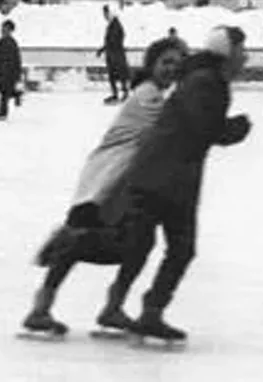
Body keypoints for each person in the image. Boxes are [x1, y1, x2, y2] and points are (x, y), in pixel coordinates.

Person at [22, 34, 188, 336]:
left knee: (135, 242)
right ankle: (71, 301)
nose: (171, 69)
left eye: (178, 64)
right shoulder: (148, 95)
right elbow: (173, 128)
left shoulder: (149, 92)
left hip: (116, 179)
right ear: (152, 64)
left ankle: (56, 304)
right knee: (115, 243)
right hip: (109, 179)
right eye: (166, 62)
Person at [103, 26, 252, 342]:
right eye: (241, 49)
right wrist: (233, 129)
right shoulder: (205, 82)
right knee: (172, 248)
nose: (246, 57)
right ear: (227, 53)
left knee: (156, 246)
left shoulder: (205, 79)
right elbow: (204, 127)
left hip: (165, 175)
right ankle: (144, 310)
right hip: (166, 178)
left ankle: (140, 308)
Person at [0, 19, 23, 121]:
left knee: (4, 94)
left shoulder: (12, 43)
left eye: (6, 28)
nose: (3, 30)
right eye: (3, 28)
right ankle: (16, 94)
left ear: (10, 30)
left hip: (10, 72)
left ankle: (2, 113)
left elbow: (17, 59)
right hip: (2, 71)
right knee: (4, 91)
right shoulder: (0, 41)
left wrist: (17, 73)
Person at [96, 5, 129, 104]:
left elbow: (119, 37)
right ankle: (116, 94)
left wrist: (112, 47)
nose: (104, 17)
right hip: (112, 55)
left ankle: (124, 94)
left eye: (106, 14)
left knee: (120, 74)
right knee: (112, 76)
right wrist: (102, 50)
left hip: (117, 55)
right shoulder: (111, 25)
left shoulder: (116, 24)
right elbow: (109, 41)